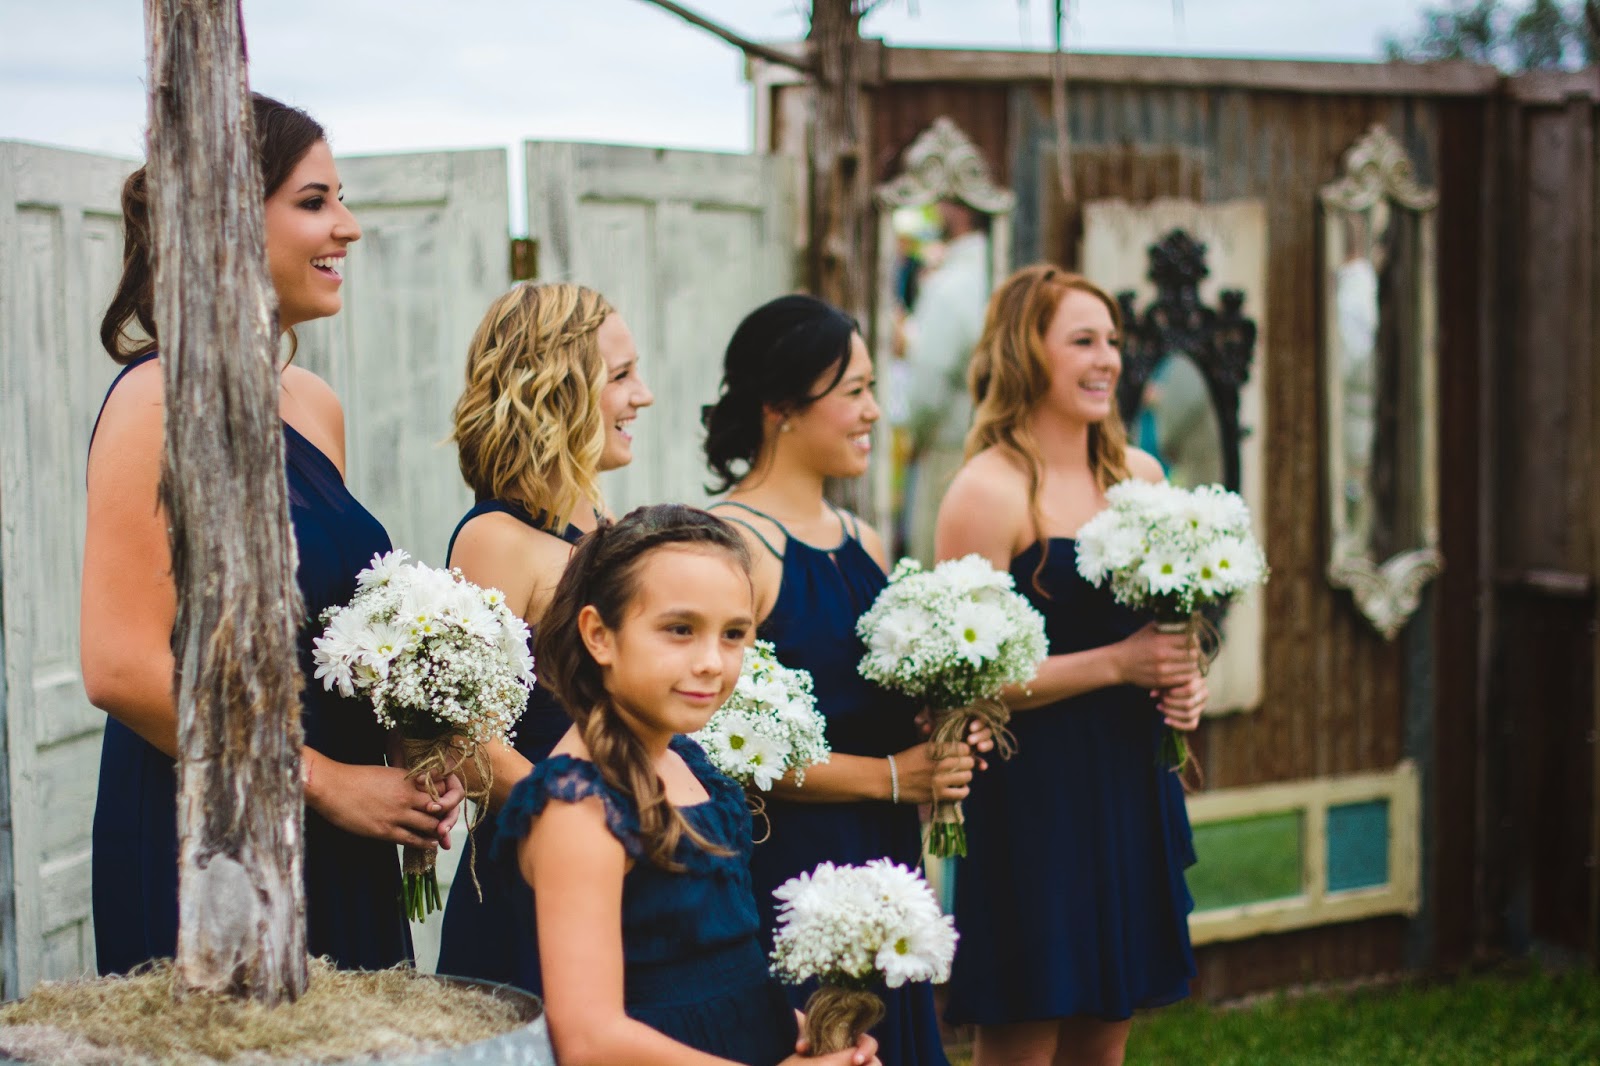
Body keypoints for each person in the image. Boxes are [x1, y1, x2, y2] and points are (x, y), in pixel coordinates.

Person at [82, 94, 465, 974]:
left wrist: (411, 746)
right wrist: (326, 782)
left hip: (344, 826)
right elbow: (119, 666)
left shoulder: (312, 403)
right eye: (314, 201)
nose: (348, 228)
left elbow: (325, 622)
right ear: (222, 218)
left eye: (341, 200)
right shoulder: (156, 402)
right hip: (213, 836)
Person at [701, 294, 987, 1066]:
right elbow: (724, 747)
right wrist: (895, 776)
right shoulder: (733, 545)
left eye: (873, 389)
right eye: (854, 391)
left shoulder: (863, 539)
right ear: (781, 407)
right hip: (792, 866)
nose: (874, 411)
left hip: (885, 855)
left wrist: (944, 714)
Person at [936, 265, 1209, 1066]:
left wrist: (1182, 681)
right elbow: (964, 683)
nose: (1108, 360)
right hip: (1033, 795)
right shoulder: (986, 492)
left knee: (1104, 1037)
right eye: (1083, 341)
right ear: (1027, 353)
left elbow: (1165, 633)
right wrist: (1121, 664)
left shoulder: (1141, 479)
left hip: (1129, 778)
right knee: (1024, 1036)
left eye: (1113, 341)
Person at [494, 504, 880, 1066]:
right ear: (600, 635)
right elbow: (589, 1040)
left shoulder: (690, 765)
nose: (712, 662)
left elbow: (724, 976)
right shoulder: (579, 806)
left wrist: (818, 1036)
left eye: (733, 635)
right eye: (680, 630)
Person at [437, 281, 653, 986]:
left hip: (623, 864)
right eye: (621, 375)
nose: (643, 395)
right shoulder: (497, 539)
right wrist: (588, 825)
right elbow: (468, 741)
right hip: (540, 871)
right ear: (557, 388)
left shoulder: (602, 522)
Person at [903, 197, 991, 564]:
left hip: (950, 448)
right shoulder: (998, 272)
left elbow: (928, 386)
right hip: (995, 448)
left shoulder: (951, 286)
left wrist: (918, 435)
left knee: (939, 563)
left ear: (962, 211)